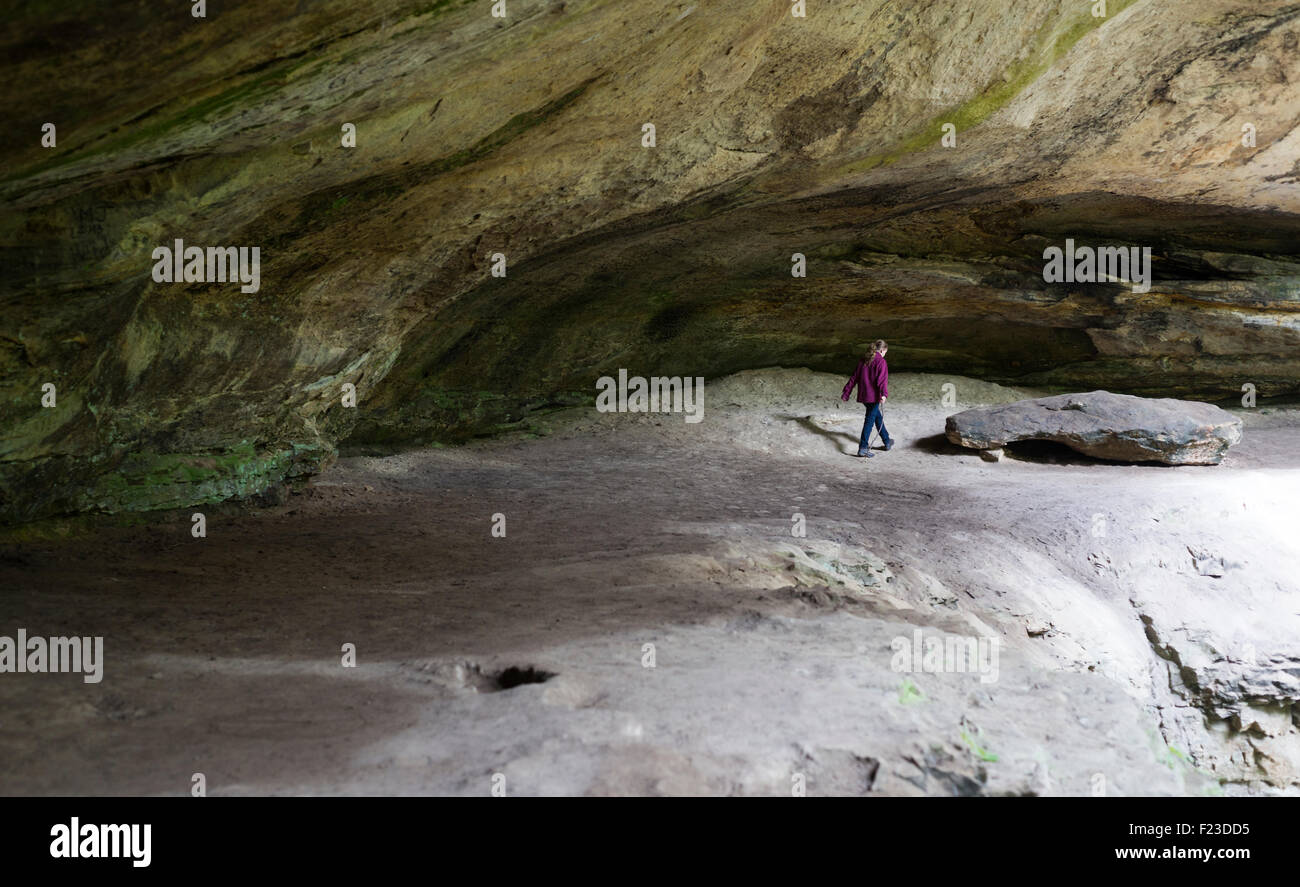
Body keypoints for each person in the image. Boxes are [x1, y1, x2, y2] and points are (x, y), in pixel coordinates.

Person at [840, 340, 893, 458]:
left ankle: (887, 440)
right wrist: (884, 394)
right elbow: (882, 381)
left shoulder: (863, 360)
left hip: (864, 396)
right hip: (874, 397)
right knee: (869, 420)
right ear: (882, 350)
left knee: (876, 416)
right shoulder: (881, 362)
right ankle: (863, 448)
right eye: (885, 352)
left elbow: (854, 377)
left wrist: (846, 393)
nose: (885, 354)